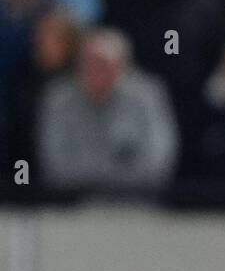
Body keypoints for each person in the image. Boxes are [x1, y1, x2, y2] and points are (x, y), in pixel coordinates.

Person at [37, 27, 179, 194]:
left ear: (124, 66)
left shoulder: (147, 97)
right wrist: (112, 172)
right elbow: (54, 165)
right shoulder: (58, 99)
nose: (96, 72)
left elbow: (158, 161)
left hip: (137, 203)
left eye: (104, 64)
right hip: (72, 205)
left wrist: (96, 174)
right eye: (89, 64)